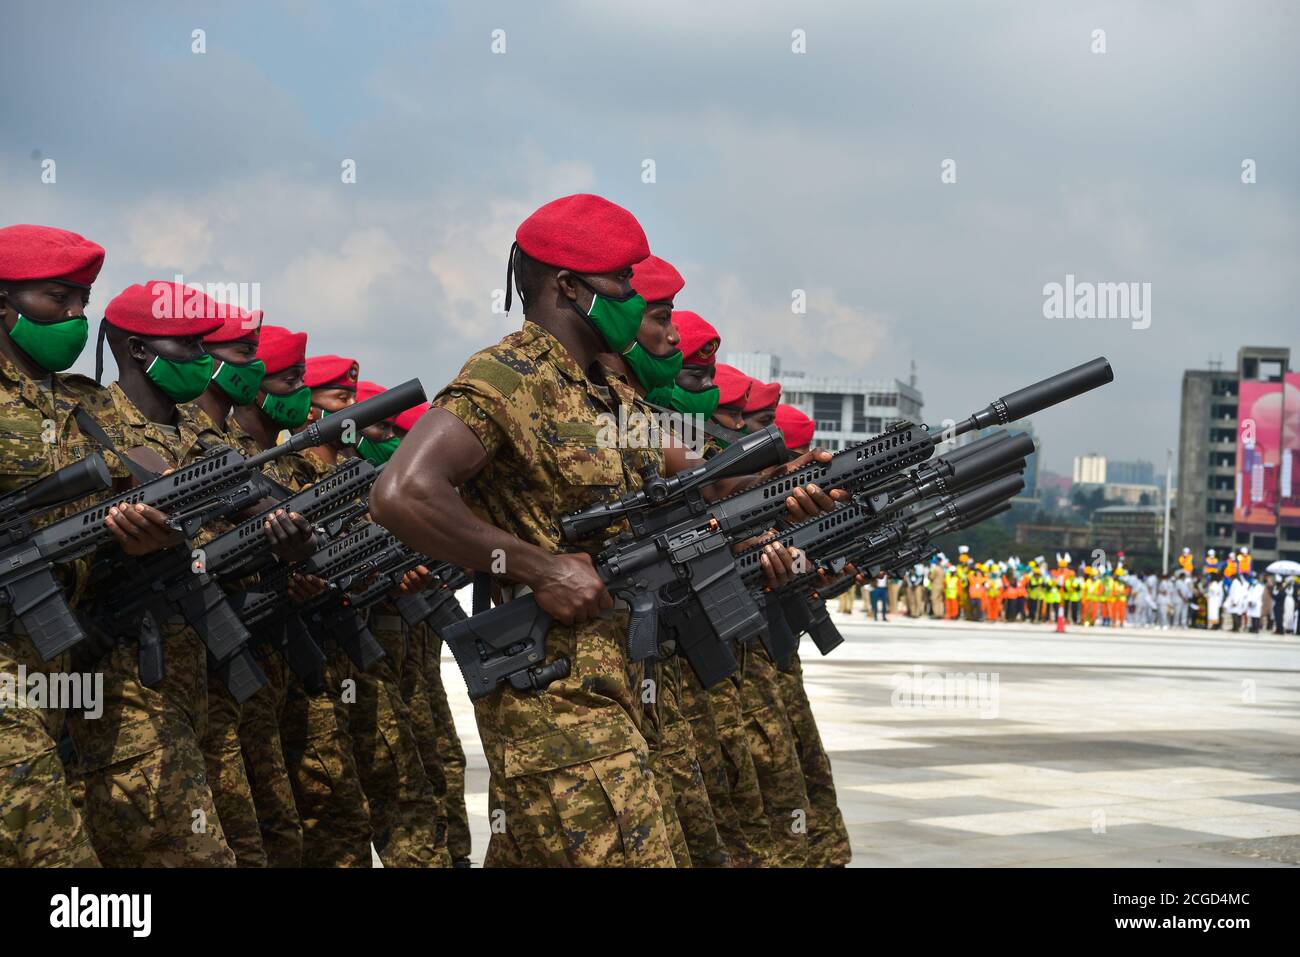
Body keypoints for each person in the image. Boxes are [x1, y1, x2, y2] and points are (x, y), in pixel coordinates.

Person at [370, 194, 679, 866]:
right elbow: (400, 491)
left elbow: (682, 476)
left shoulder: (611, 390)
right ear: (568, 285)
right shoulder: (506, 378)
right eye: (621, 282)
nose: (633, 295)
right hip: (556, 700)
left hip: (619, 684)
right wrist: (538, 568)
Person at [67, 280, 237, 866]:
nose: (204, 359)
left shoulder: (204, 436)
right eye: (190, 345)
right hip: (123, 685)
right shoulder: (85, 425)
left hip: (198, 680)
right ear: (140, 350)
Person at [0, 224, 120, 867]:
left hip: (53, 657)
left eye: (82, 301)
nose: (75, 316)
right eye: (57, 299)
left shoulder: (80, 404)